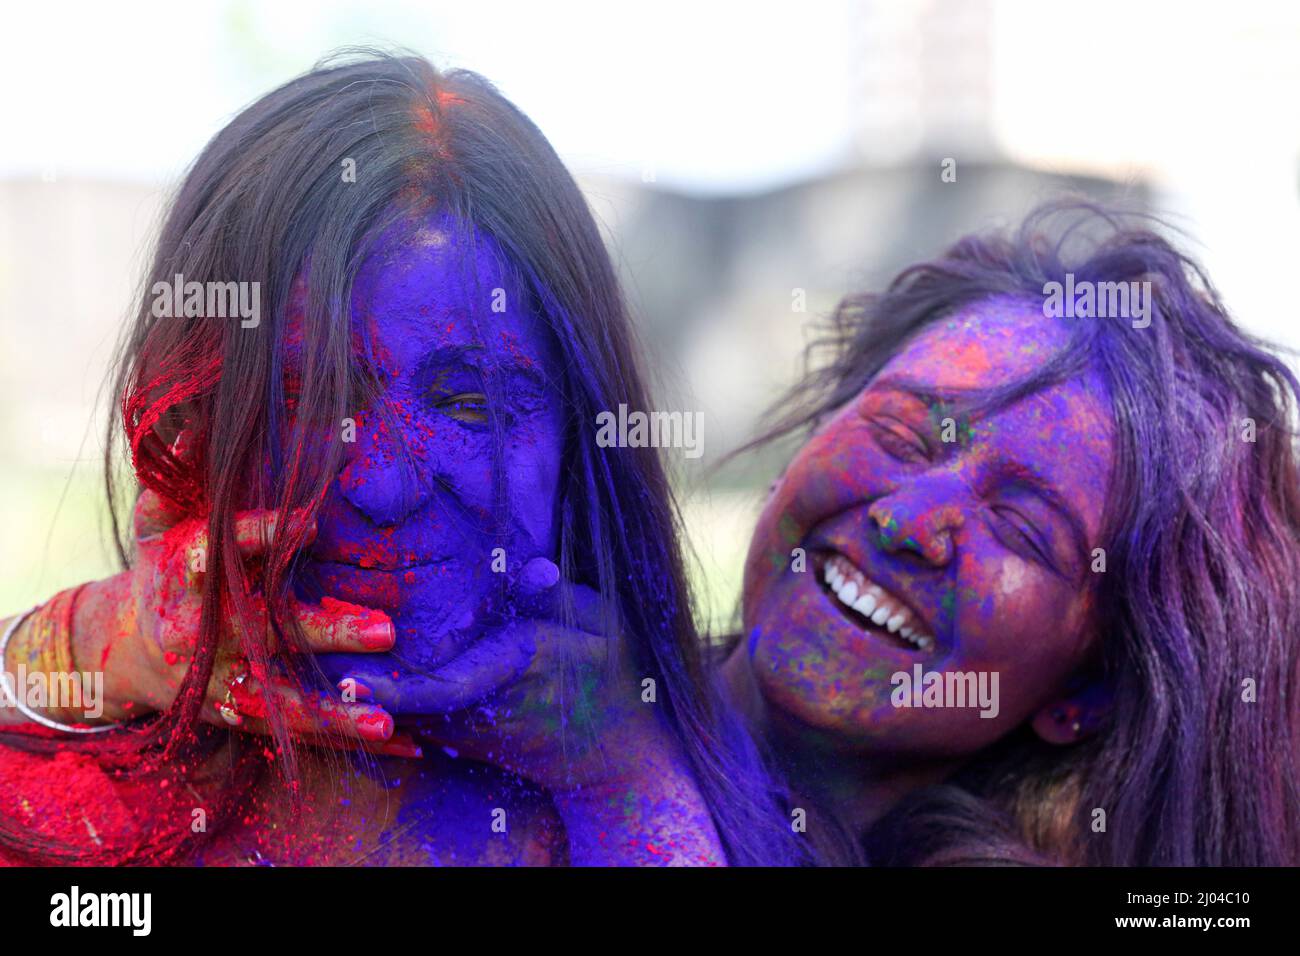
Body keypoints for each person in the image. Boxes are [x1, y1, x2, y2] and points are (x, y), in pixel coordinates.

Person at [0, 50, 803, 867]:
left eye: (470, 406)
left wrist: (617, 774)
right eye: (301, 398)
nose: (383, 486)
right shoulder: (68, 780)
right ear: (192, 415)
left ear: (578, 445)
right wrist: (90, 645)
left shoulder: (715, 782)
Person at [722, 202, 1300, 865]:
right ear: (815, 436)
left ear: (1085, 695)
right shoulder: (581, 658)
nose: (909, 521)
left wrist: (628, 788)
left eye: (1021, 527)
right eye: (900, 436)